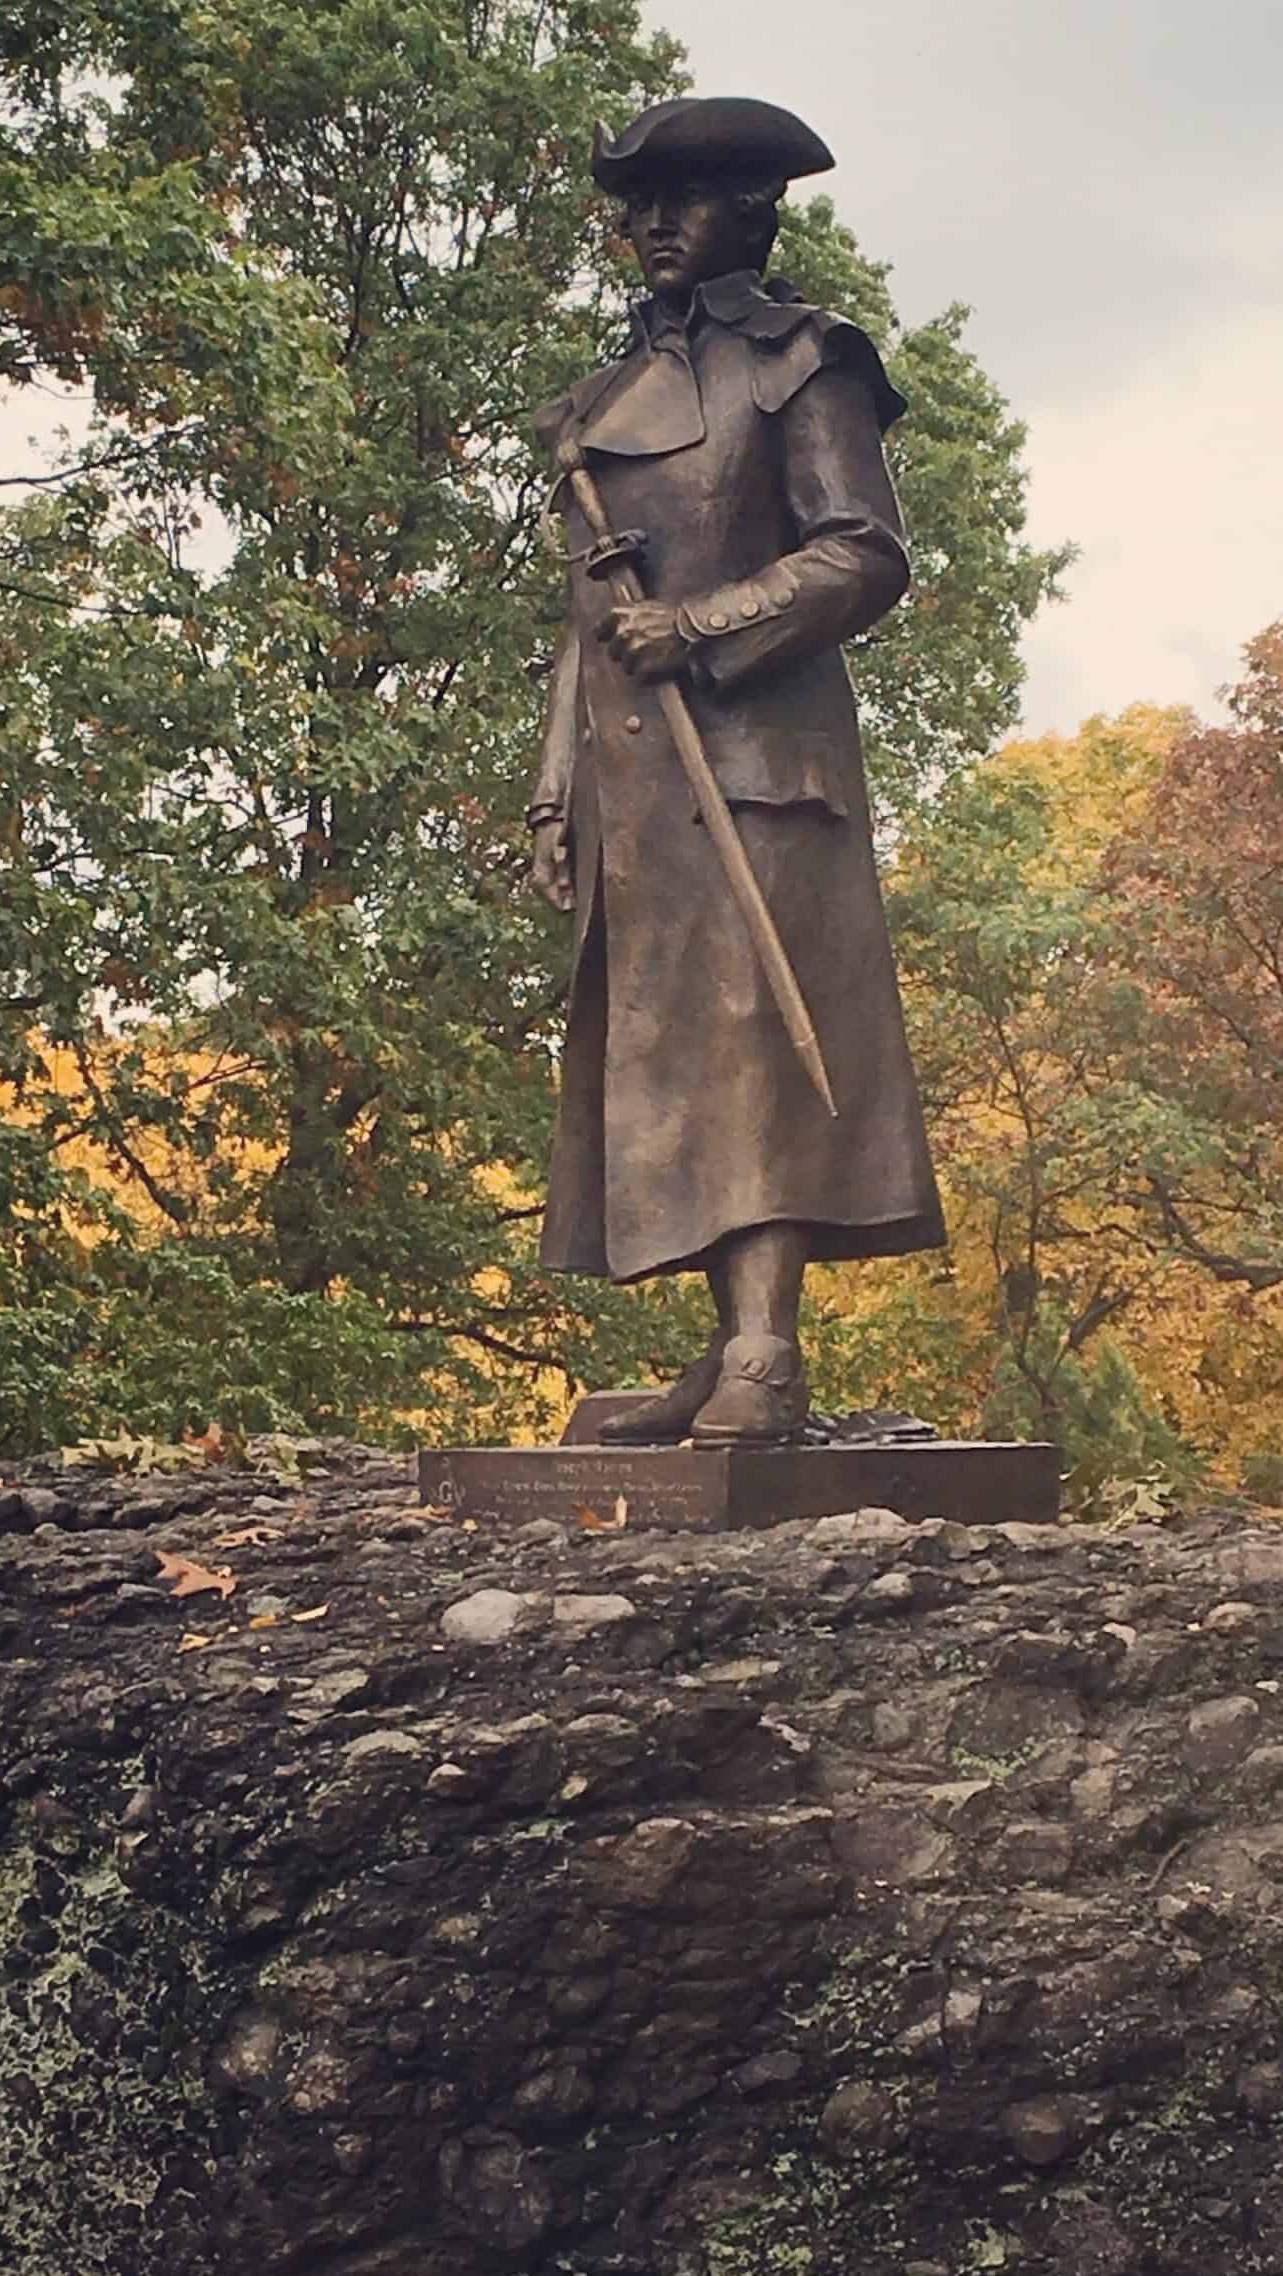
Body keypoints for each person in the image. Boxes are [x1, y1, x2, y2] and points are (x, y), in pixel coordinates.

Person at [527, 95, 943, 1447]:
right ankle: (729, 1346)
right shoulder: (603, 402)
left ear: (754, 211)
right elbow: (588, 624)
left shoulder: (805, 364)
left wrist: (702, 627)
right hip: (637, 789)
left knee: (757, 1036)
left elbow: (862, 553)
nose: (652, 227)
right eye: (637, 205)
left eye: (684, 201)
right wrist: (553, 790)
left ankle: (769, 1349)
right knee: (676, 1064)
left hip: (760, 763)